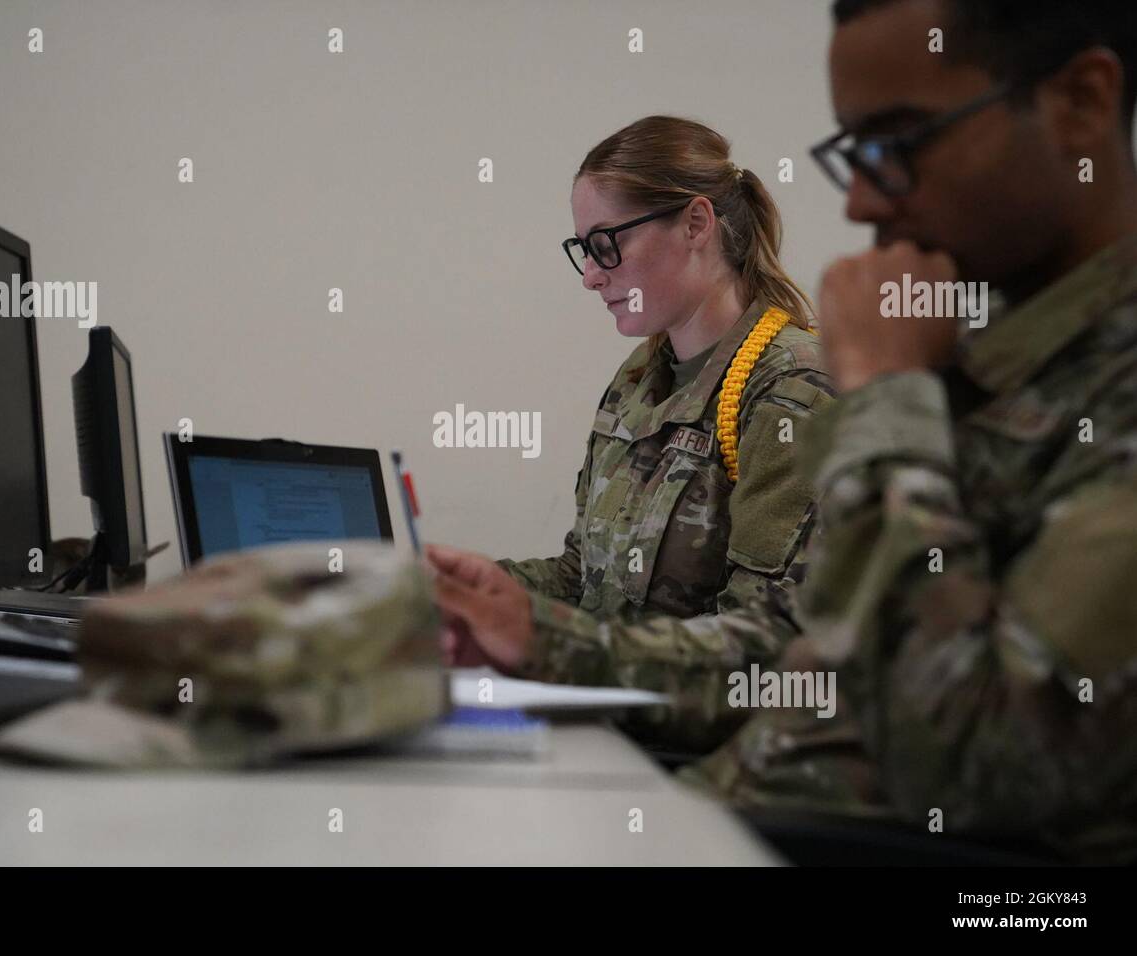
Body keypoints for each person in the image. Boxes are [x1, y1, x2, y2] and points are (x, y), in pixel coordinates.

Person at [687, 0, 1137, 864]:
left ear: (1080, 103)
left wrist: (885, 397)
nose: (859, 203)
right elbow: (805, 646)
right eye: (852, 154)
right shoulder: (981, 354)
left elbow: (983, 763)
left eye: (897, 146)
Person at [429, 115, 835, 755]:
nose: (592, 275)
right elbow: (582, 579)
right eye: (583, 251)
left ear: (696, 224)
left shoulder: (792, 389)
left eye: (606, 244)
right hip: (621, 731)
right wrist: (470, 592)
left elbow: (771, 656)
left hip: (717, 766)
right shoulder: (644, 376)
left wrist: (544, 643)